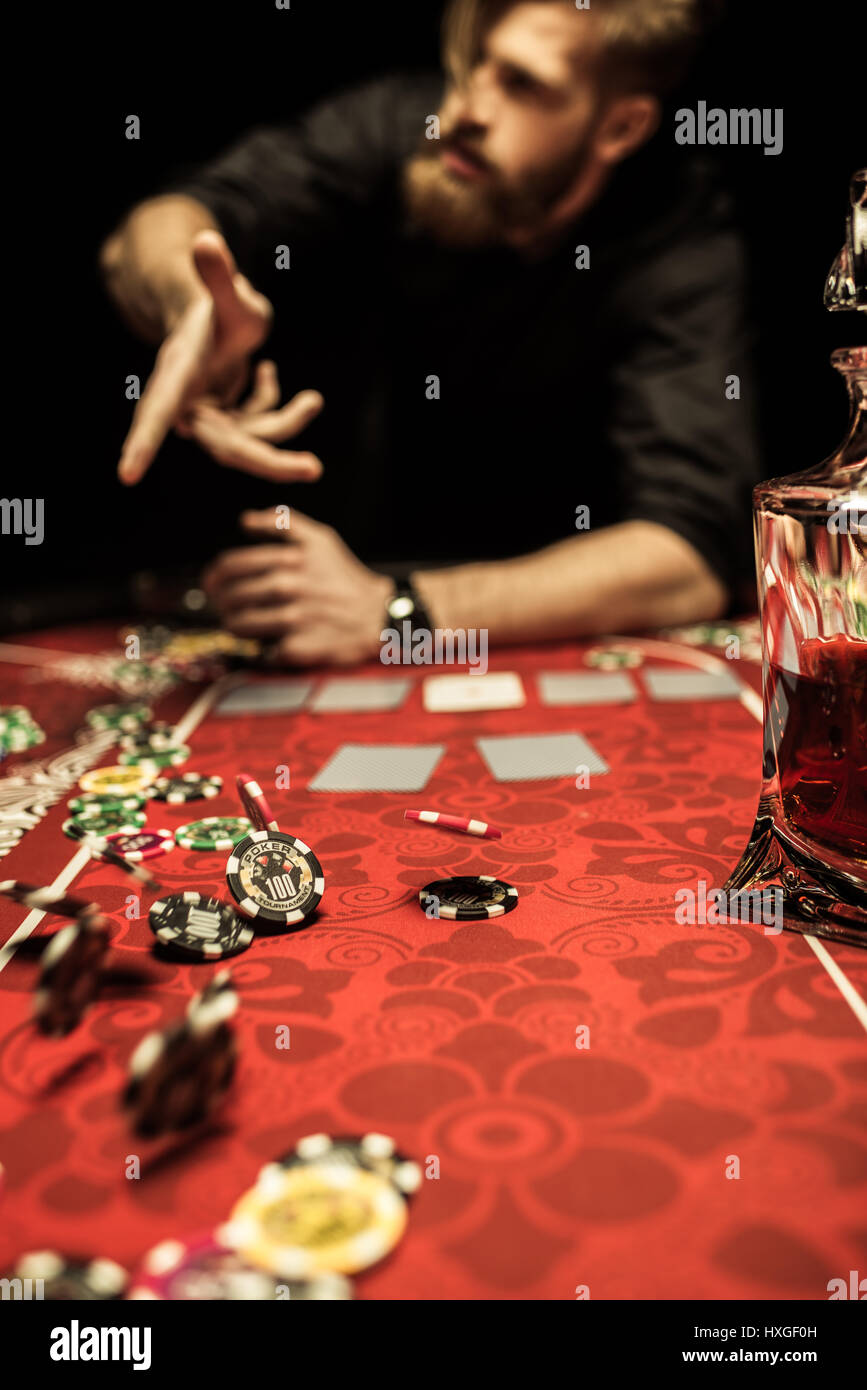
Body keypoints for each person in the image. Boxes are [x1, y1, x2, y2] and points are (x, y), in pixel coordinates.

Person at [101, 0, 760, 667]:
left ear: (620, 127)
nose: (464, 109)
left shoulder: (681, 240)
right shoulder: (403, 126)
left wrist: (397, 610)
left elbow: (692, 552)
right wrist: (190, 308)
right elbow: (161, 225)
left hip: (545, 646)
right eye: (474, 65)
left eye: (522, 84)